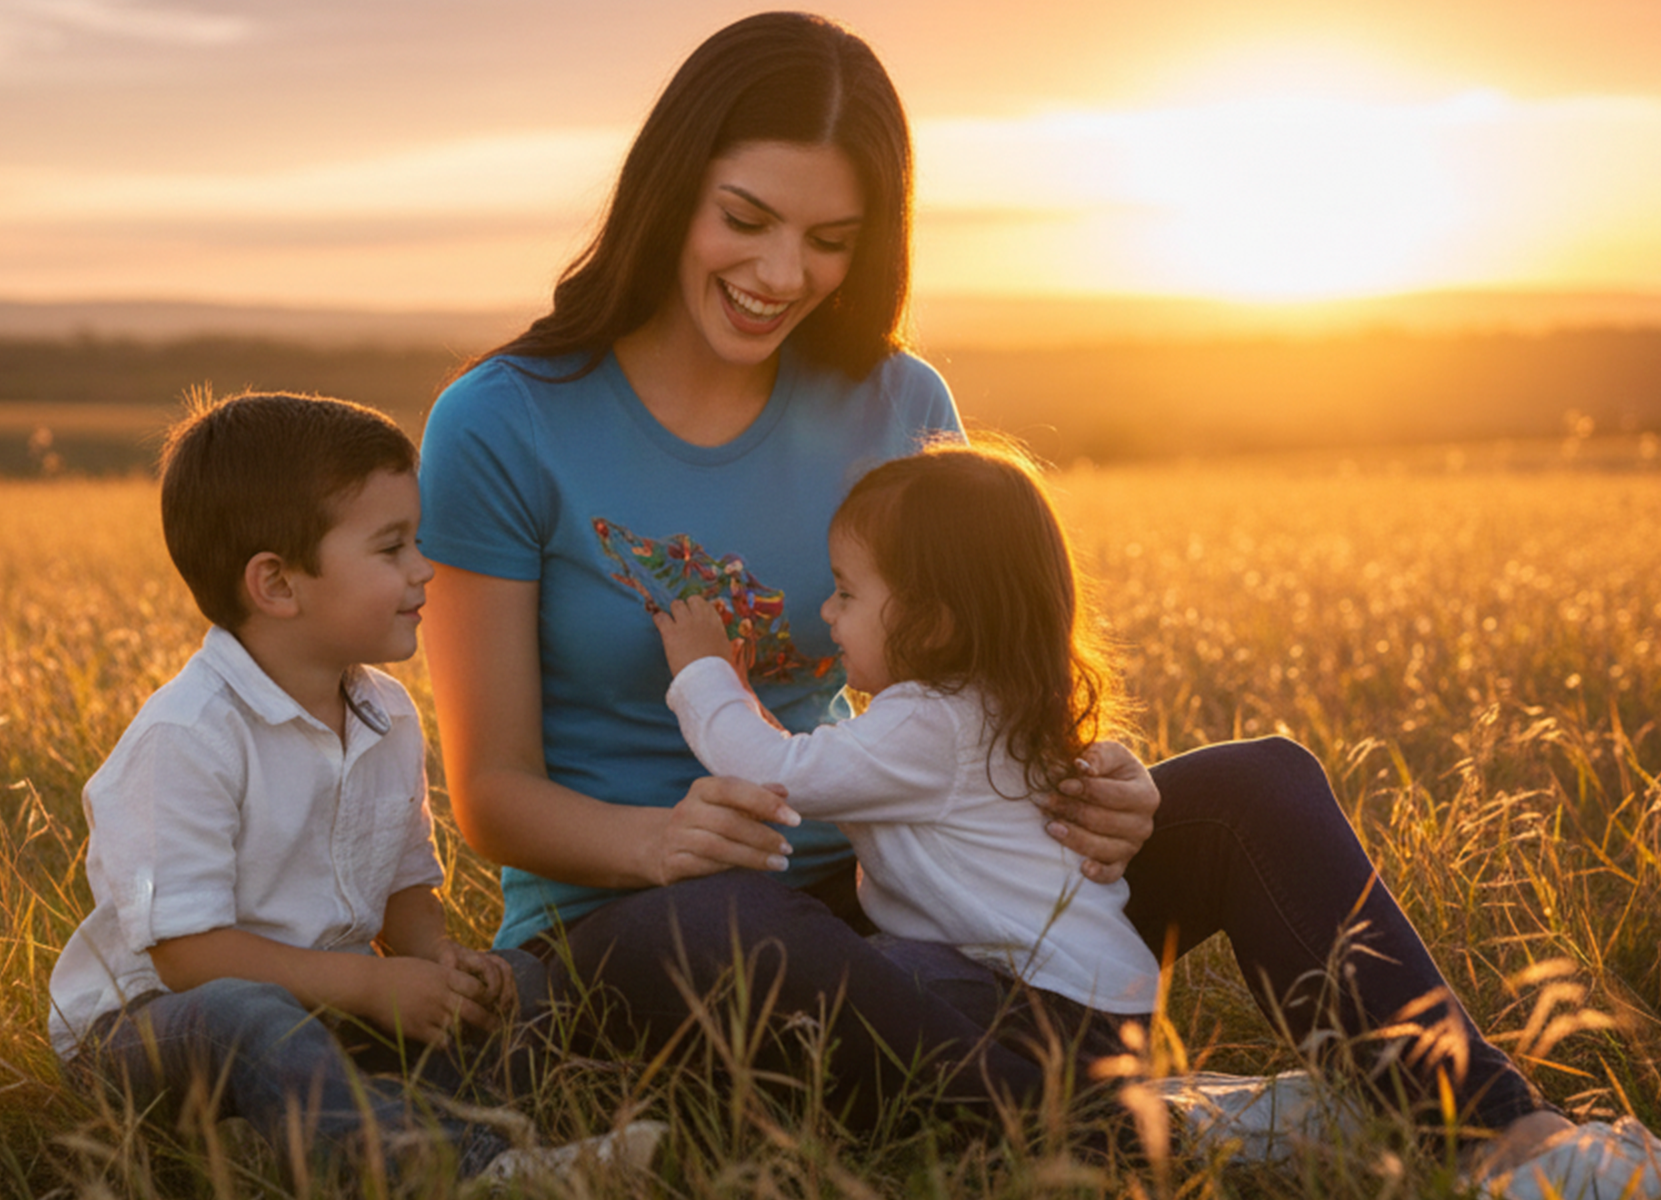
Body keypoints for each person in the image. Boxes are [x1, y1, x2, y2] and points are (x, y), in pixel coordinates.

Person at [417, 7, 1640, 1184]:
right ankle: (1153, 1138)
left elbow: (981, 672)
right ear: (670, 187)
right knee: (737, 920)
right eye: (746, 217)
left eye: (832, 240)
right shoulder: (504, 422)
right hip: (648, 923)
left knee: (1257, 788)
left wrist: (1085, 776)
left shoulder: (897, 403)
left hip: (915, 888)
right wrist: (656, 839)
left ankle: (1507, 1144)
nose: (782, 272)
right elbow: (494, 796)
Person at [46, 391, 659, 1185]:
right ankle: (465, 1173)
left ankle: (318, 1127)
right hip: (150, 1035)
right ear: (277, 585)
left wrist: (437, 961)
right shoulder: (186, 736)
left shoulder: (385, 714)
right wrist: (371, 983)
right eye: (391, 548)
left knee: (526, 985)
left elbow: (403, 884)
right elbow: (190, 955)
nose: (423, 568)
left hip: (320, 1007)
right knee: (248, 1019)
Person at [654, 440, 1158, 1091]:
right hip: (1095, 1000)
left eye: (846, 593)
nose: (828, 613)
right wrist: (749, 701)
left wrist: (704, 673)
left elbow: (774, 773)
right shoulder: (984, 703)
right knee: (880, 973)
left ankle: (1104, 1114)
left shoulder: (930, 722)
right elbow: (828, 765)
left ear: (932, 625)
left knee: (866, 983)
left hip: (1050, 1006)